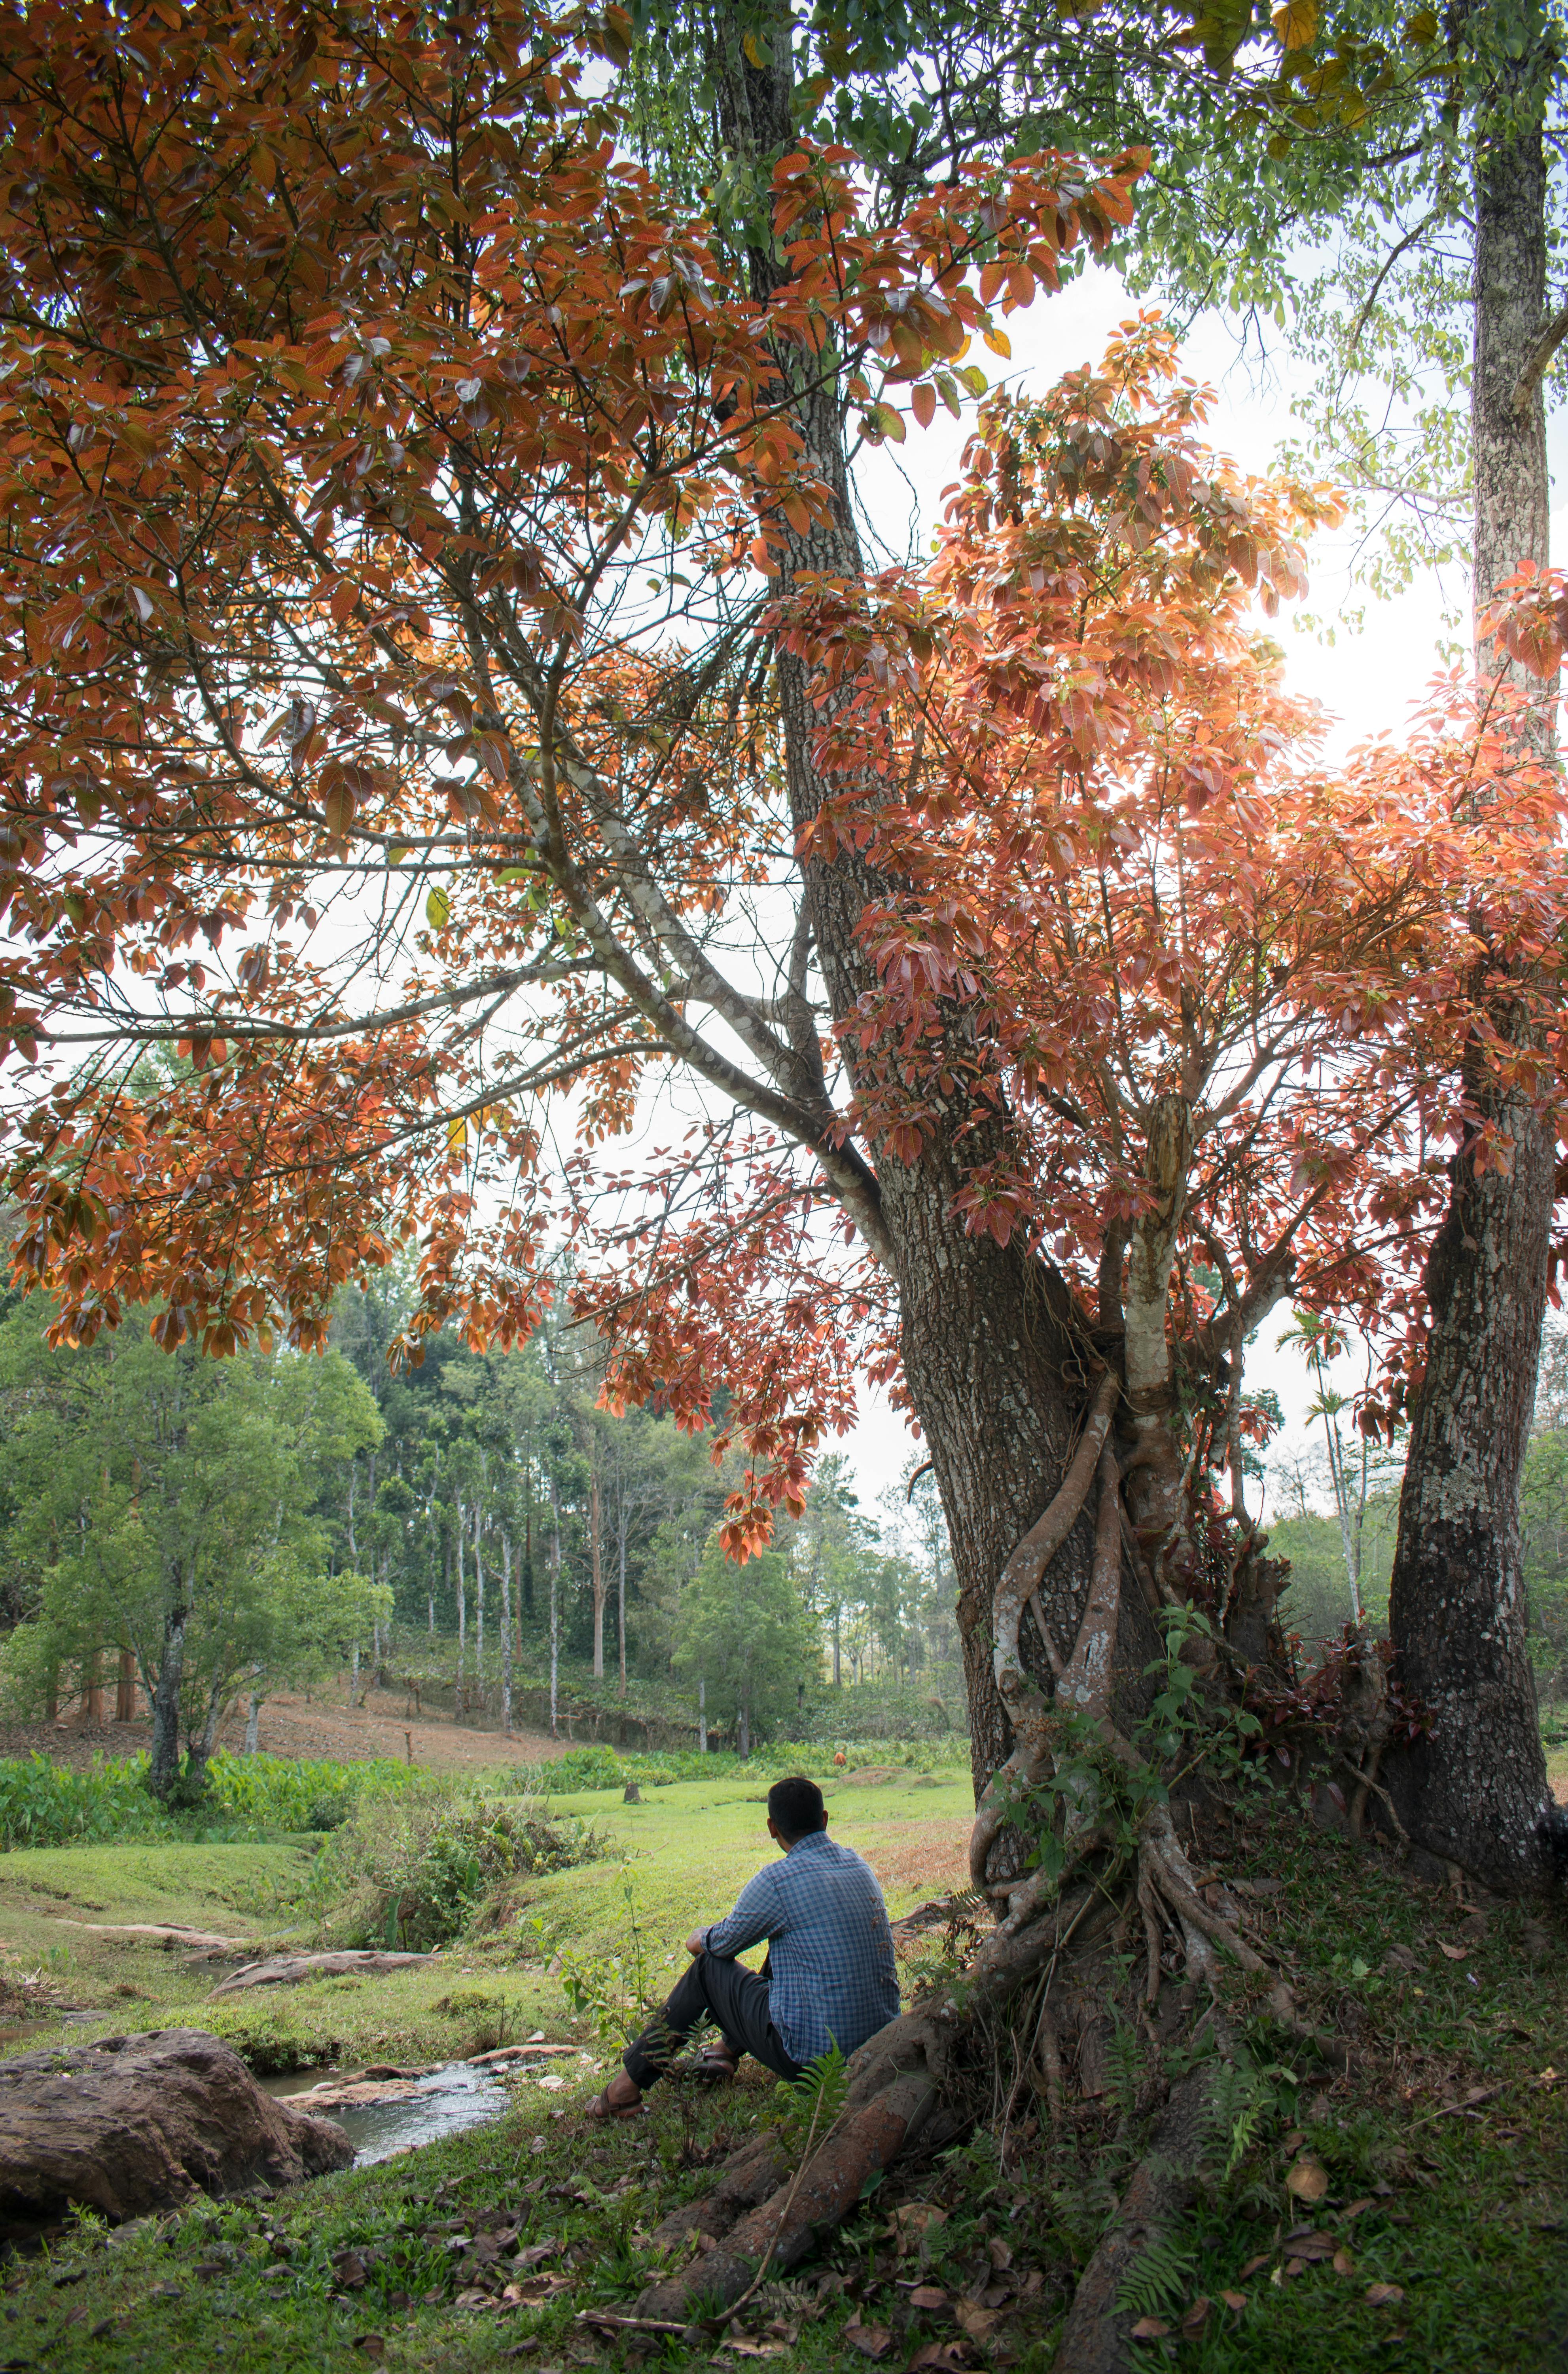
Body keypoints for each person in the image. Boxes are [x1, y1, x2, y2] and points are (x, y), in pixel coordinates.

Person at [587, 1774, 900, 2117]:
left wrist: (698, 1937)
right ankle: (725, 2052)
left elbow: (720, 1945)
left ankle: (624, 2091)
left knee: (707, 1970)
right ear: (824, 1820)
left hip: (813, 2063)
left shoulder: (777, 1881)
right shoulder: (860, 1866)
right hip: (878, 2048)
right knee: (786, 1945)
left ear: (772, 1828)